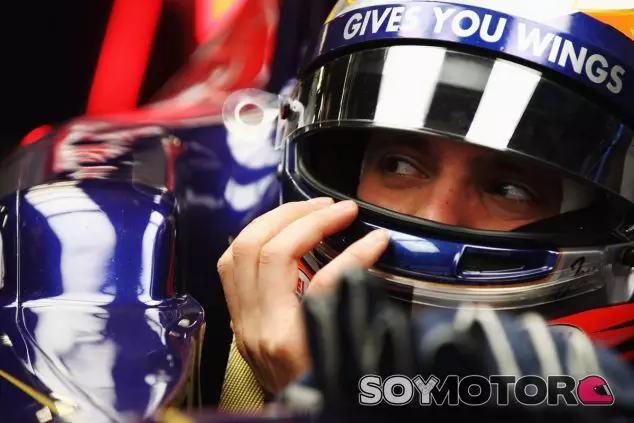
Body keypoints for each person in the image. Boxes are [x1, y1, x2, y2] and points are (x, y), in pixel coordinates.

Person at [216, 0, 634, 412]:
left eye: (509, 189)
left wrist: (323, 397)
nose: (432, 217)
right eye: (399, 165)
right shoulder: (222, 341)